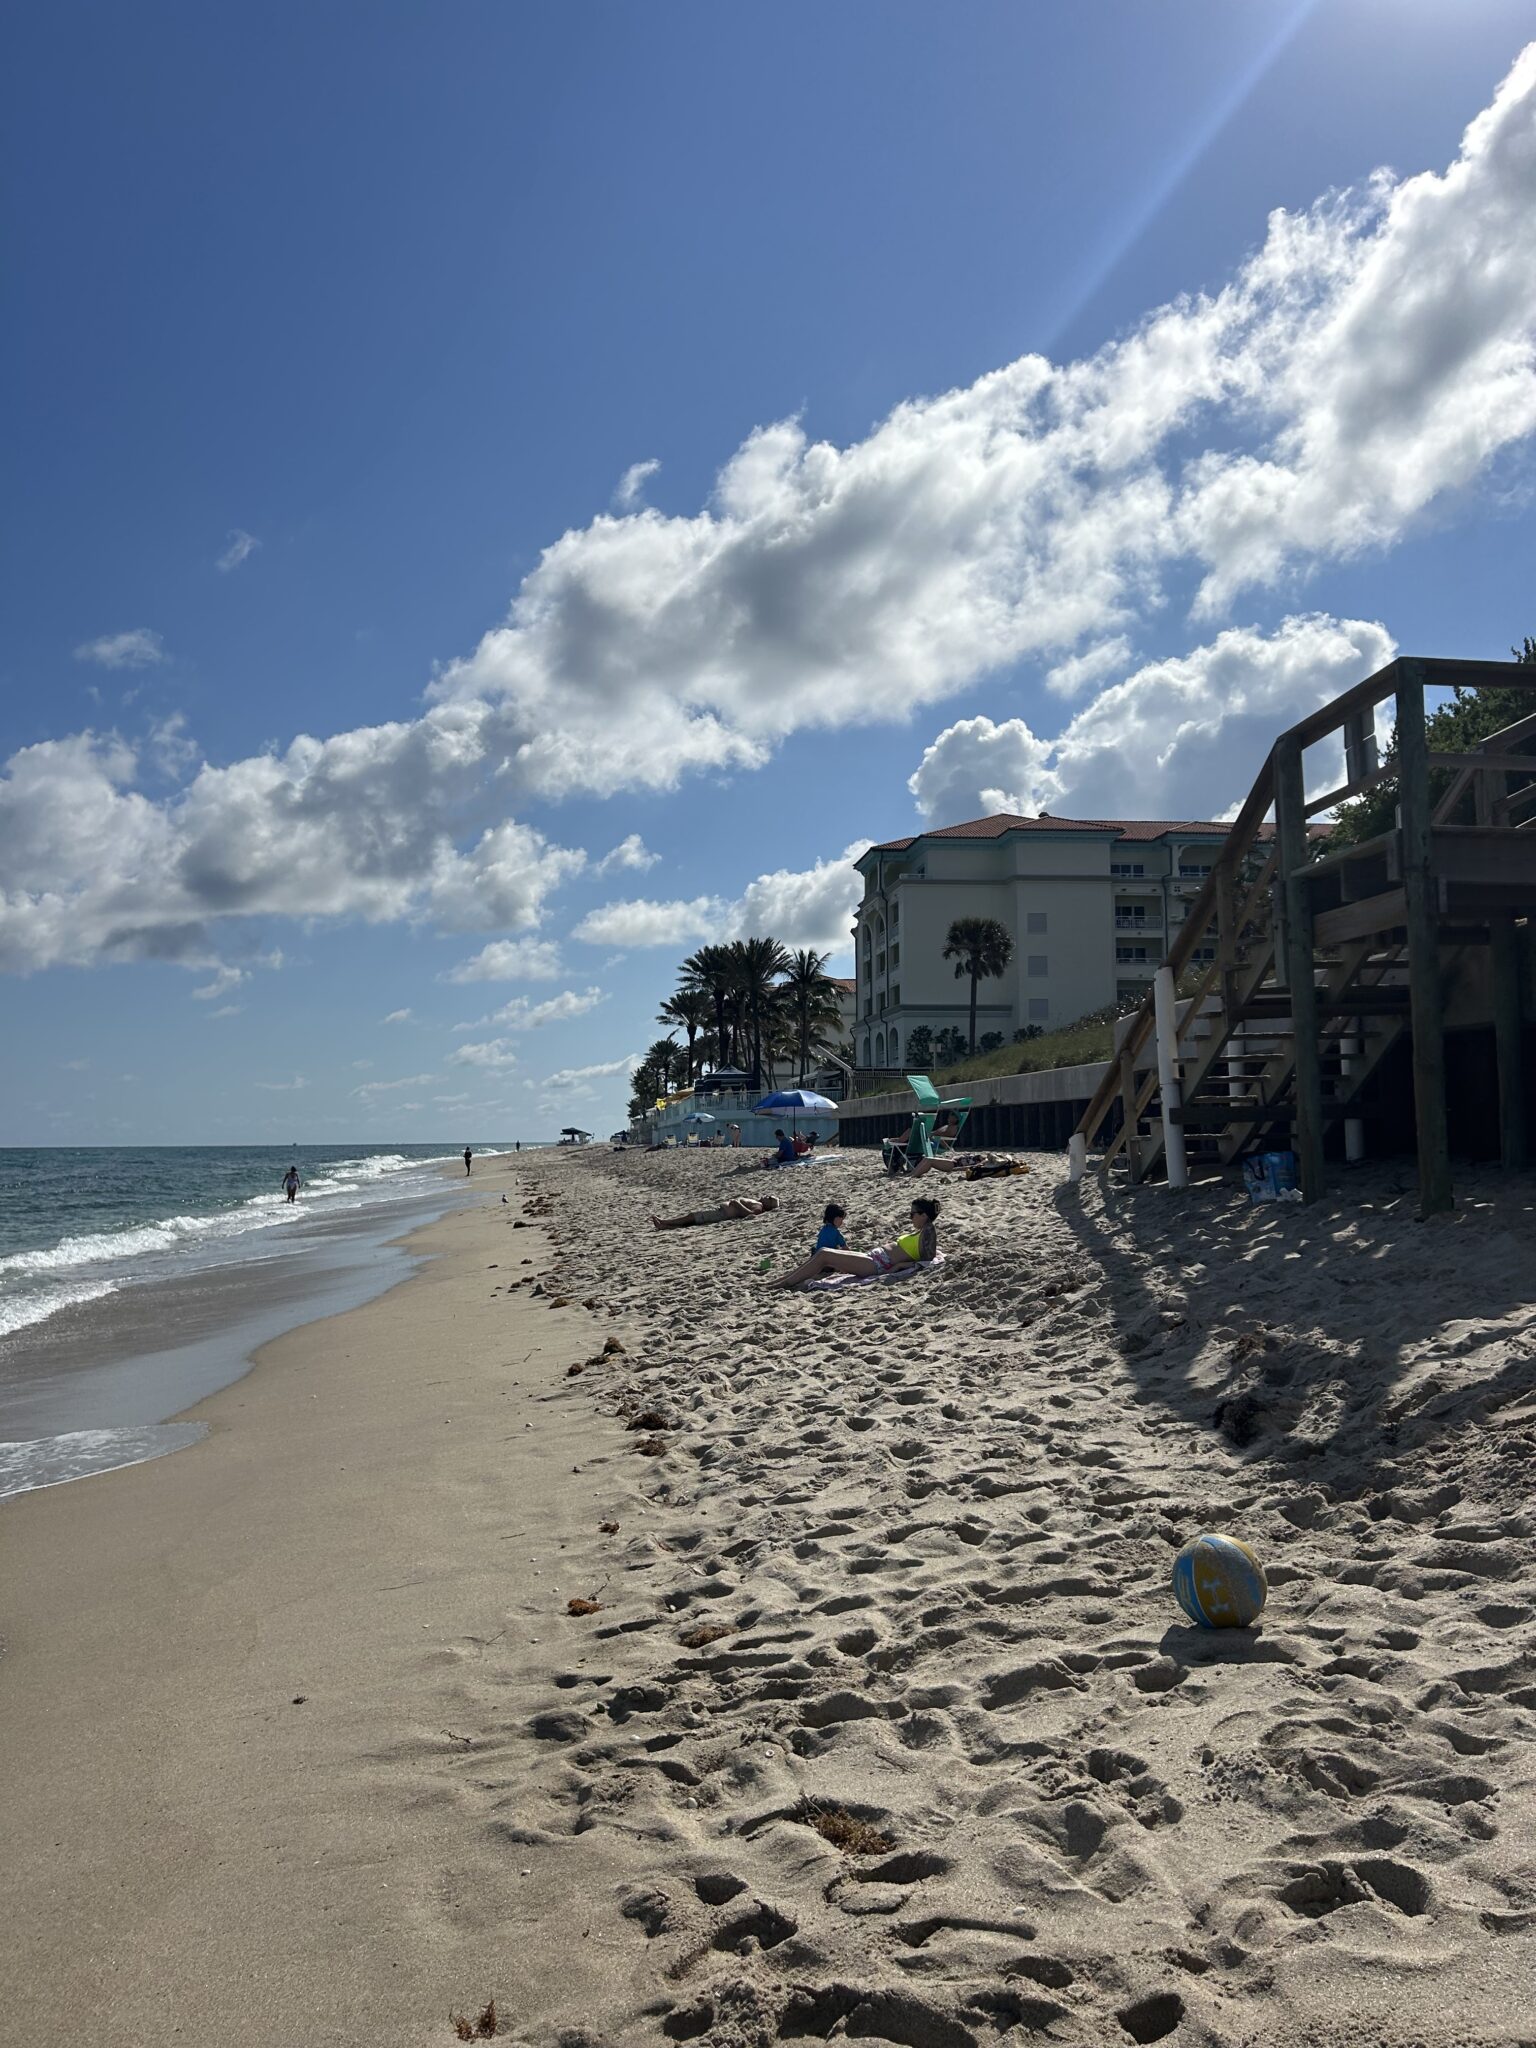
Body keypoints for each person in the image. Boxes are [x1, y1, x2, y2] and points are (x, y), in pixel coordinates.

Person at [766, 1197, 941, 1289]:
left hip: (876, 1265)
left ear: (923, 1215)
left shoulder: (927, 1232)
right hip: (873, 1258)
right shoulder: (919, 1232)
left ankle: (784, 1284)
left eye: (912, 1214)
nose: (910, 1217)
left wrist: (899, 1266)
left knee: (824, 1255)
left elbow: (926, 1260)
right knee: (822, 1253)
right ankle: (780, 1280)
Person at [652, 1194, 780, 1230]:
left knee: (693, 1217)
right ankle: (666, 1224)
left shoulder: (759, 1207)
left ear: (769, 1206)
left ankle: (665, 1223)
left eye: (770, 1199)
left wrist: (737, 1203)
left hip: (722, 1214)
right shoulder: (758, 1203)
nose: (767, 1197)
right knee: (693, 1218)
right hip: (721, 1211)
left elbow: (750, 1215)